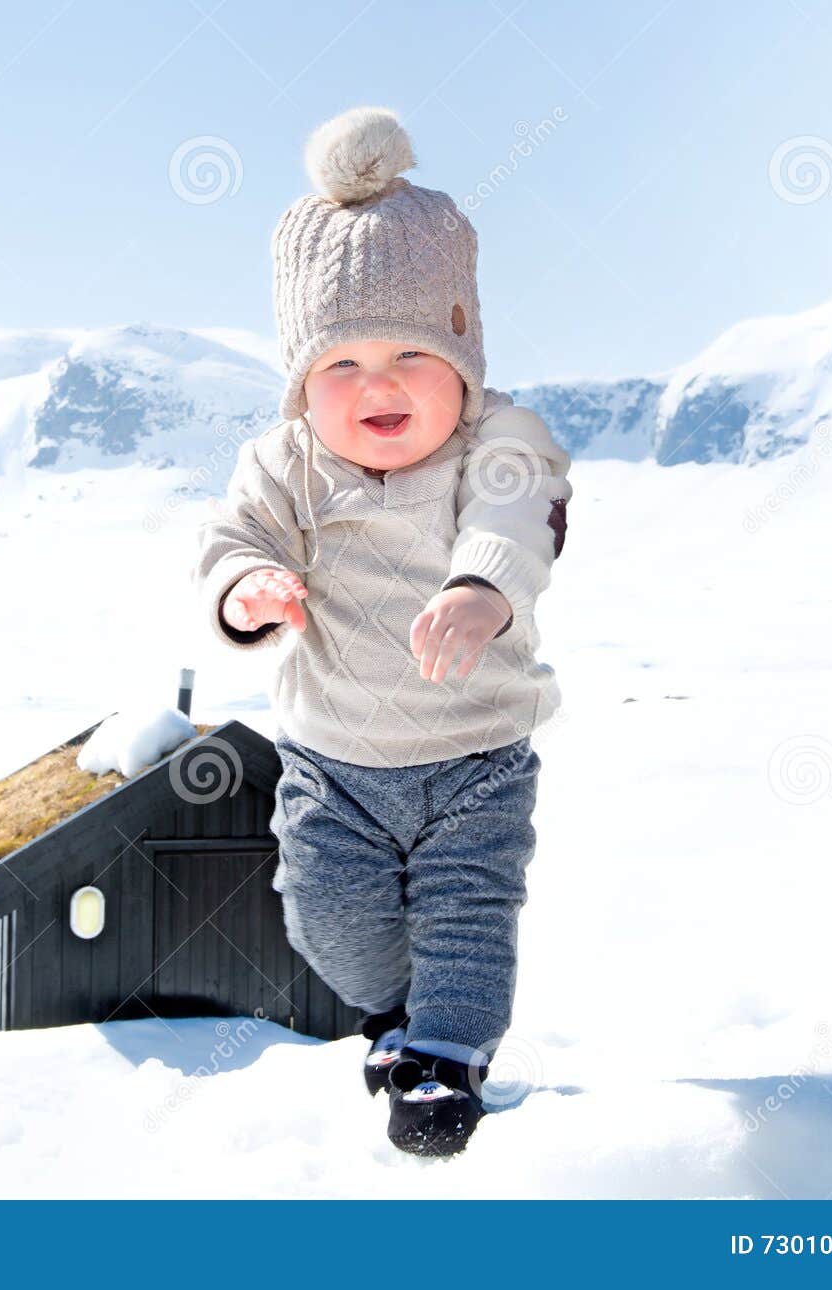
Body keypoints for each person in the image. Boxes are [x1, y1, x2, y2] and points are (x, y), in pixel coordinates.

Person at [192, 106, 571, 1156]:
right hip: (332, 763)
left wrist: (482, 588)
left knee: (466, 916)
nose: (379, 385)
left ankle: (444, 1062)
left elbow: (518, 514)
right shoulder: (283, 465)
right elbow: (233, 537)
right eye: (341, 365)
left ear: (463, 351)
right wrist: (249, 587)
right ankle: (387, 1015)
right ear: (303, 382)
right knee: (331, 926)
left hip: (473, 757)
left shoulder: (500, 440)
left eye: (411, 350)